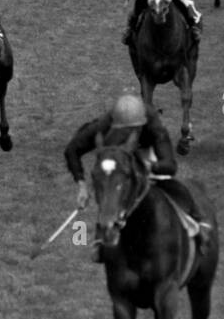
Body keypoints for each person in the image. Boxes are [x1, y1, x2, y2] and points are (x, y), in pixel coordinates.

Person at [64, 93, 179, 261]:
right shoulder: (104, 123)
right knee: (109, 183)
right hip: (117, 151)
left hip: (146, 151)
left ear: (142, 124)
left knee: (166, 183)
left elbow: (170, 165)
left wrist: (150, 167)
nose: (129, 132)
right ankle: (102, 232)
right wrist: (81, 185)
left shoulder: (153, 125)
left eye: (134, 129)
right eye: (124, 129)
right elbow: (72, 150)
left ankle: (194, 223)